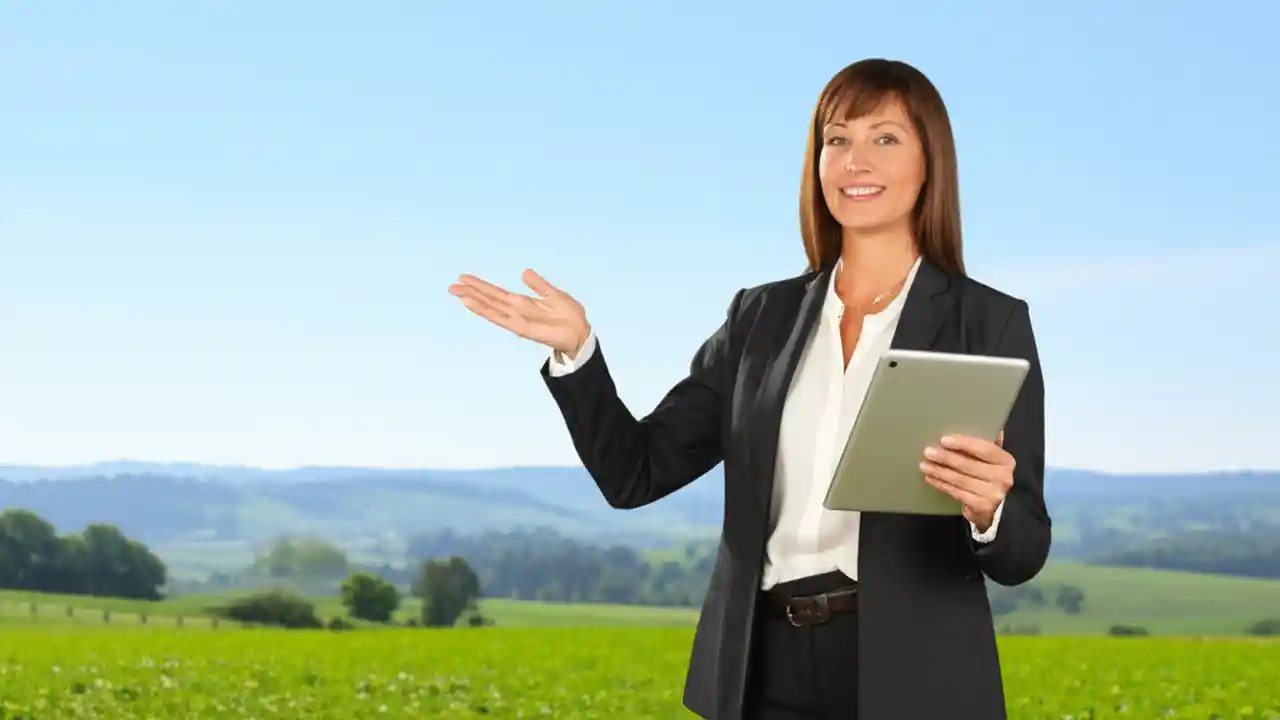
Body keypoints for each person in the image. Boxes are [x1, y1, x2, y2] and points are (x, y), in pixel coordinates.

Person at [448, 57, 1048, 720]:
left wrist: (989, 510)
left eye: (885, 138)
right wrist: (577, 352)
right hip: (762, 672)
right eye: (837, 139)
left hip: (915, 679)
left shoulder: (986, 323)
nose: (856, 161)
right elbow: (635, 474)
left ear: (930, 161)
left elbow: (1024, 550)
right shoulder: (760, 318)